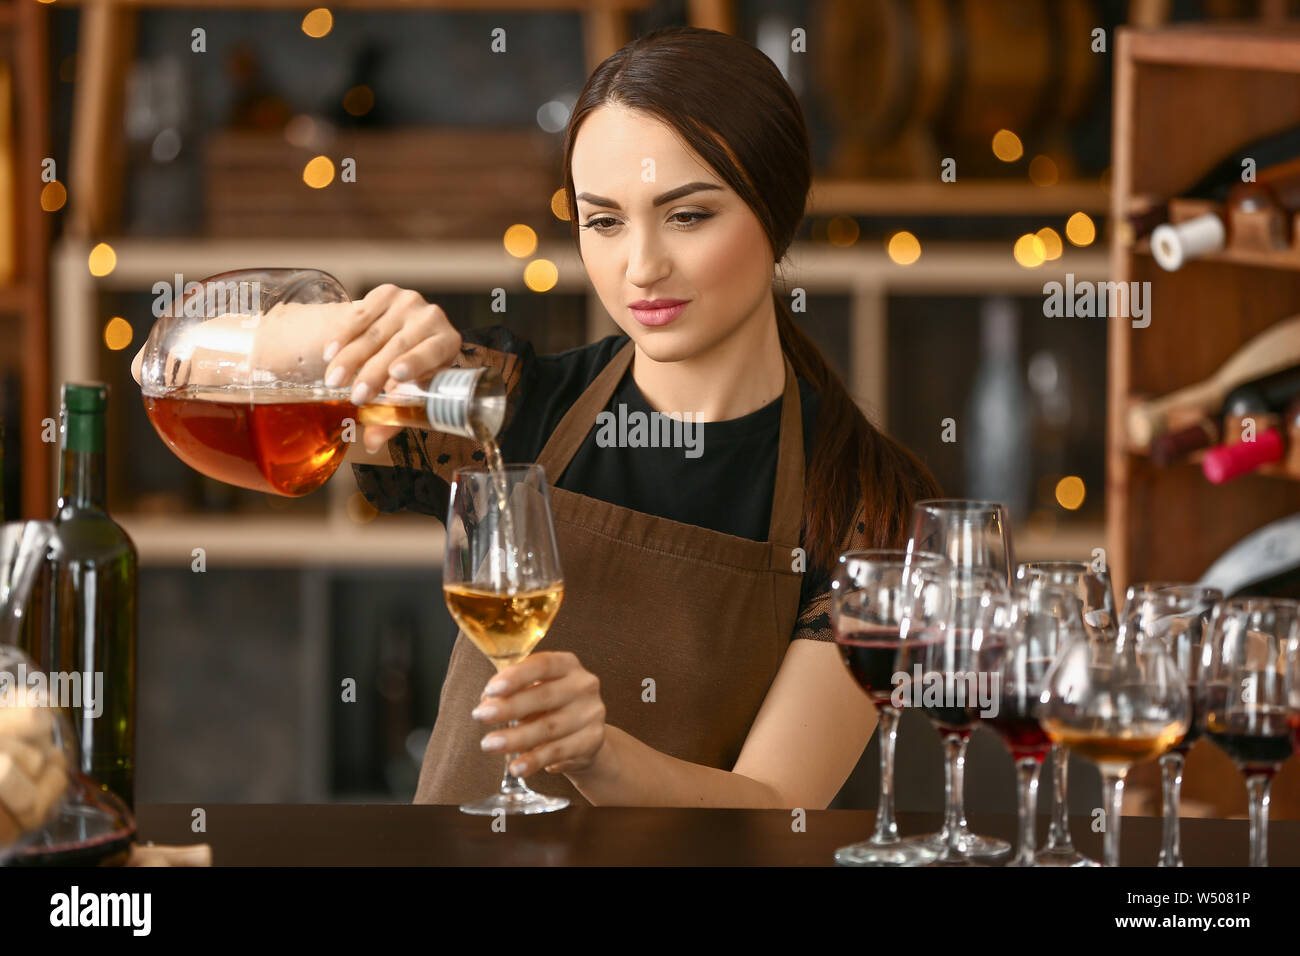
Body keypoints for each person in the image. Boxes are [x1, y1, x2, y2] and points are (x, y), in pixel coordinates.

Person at [254, 26, 944, 808]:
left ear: (776, 210)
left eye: (687, 216)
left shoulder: (870, 506)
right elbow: (186, 360)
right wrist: (358, 328)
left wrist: (599, 756)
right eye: (605, 221)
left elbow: (777, 806)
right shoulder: (501, 408)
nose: (641, 266)